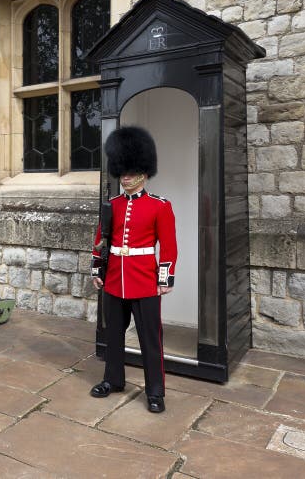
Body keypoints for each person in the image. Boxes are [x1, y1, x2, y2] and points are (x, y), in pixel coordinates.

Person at [89, 126, 177, 413]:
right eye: (122, 171)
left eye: (130, 171)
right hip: (115, 279)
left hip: (145, 280)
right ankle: (113, 380)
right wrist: (96, 270)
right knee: (112, 333)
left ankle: (155, 391)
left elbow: (169, 246)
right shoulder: (112, 205)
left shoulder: (160, 206)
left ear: (143, 172)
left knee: (150, 339)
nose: (124, 177)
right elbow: (102, 241)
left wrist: (164, 278)